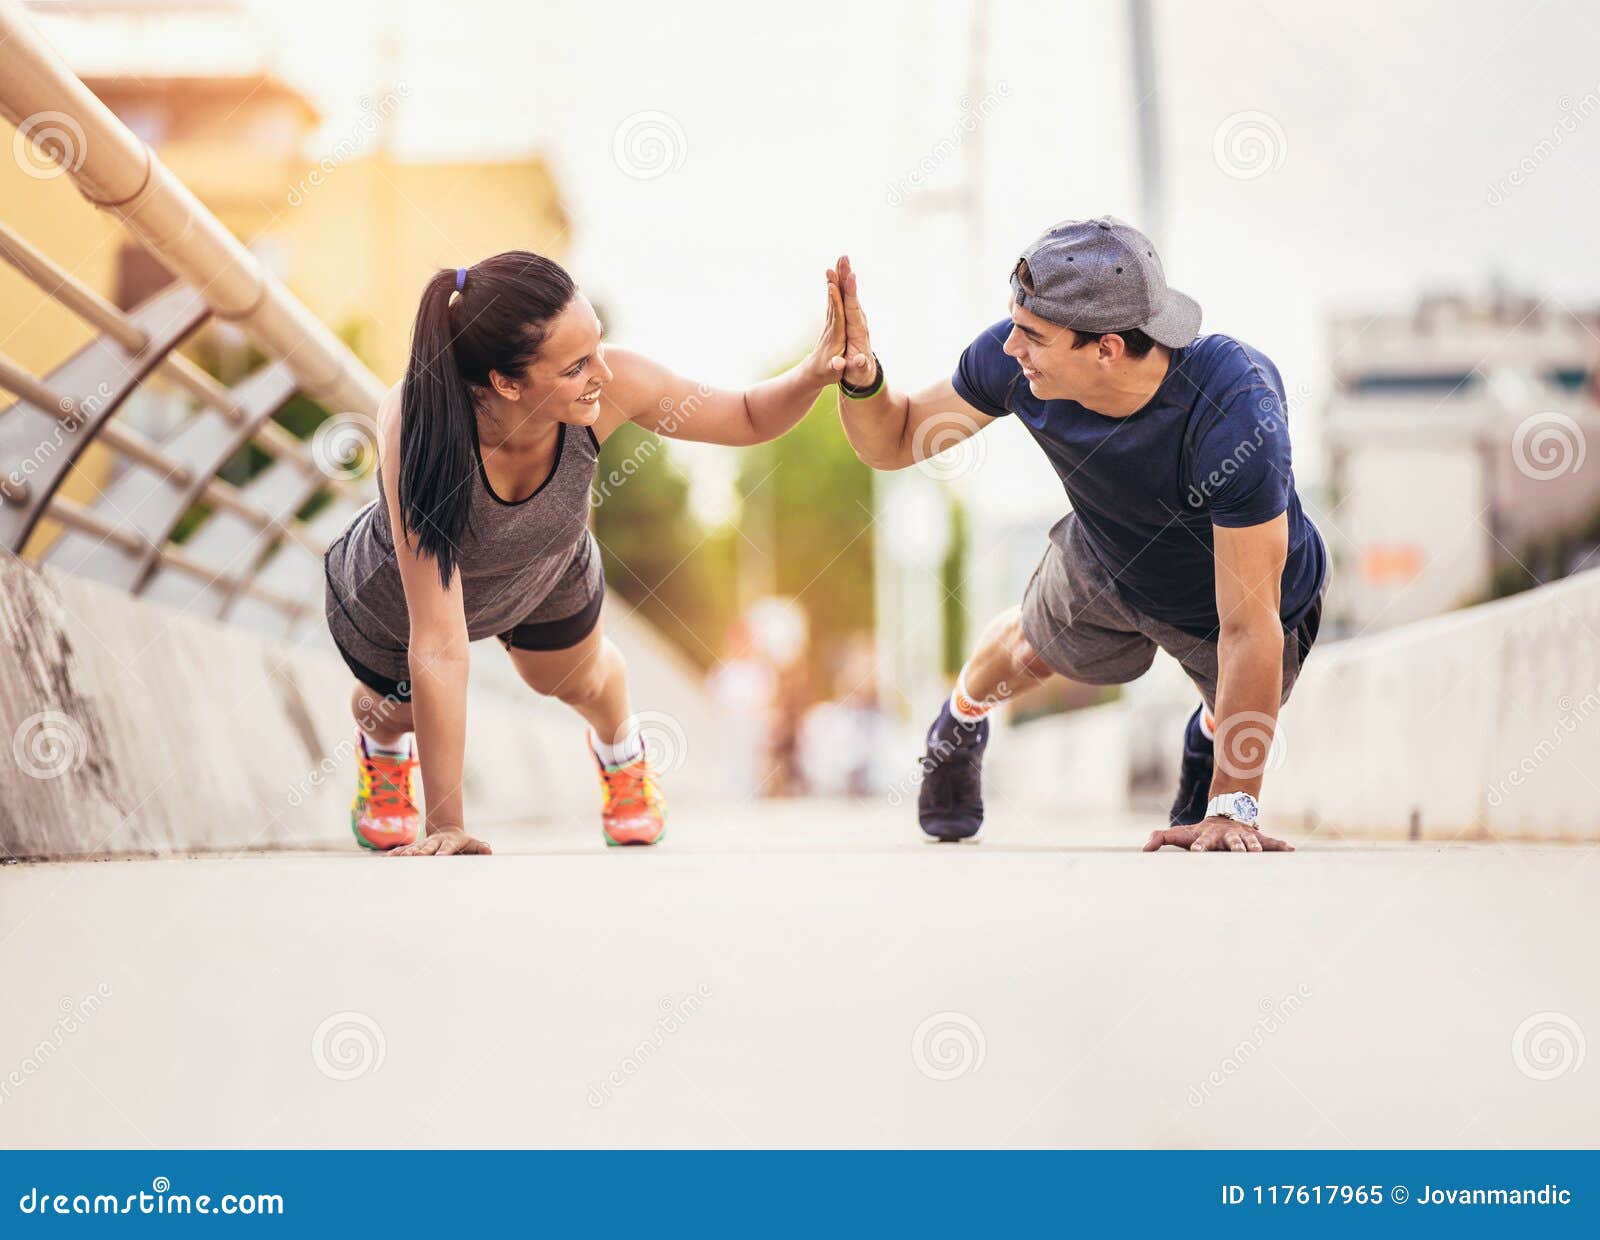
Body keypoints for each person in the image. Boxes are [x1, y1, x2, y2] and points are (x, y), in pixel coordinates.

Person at [323, 250, 849, 855]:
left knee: (576, 679)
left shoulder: (611, 383)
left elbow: (750, 415)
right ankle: (383, 750)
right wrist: (446, 826)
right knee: (398, 706)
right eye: (576, 366)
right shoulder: (415, 424)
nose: (602, 371)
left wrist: (814, 372)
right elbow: (439, 644)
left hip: (543, 567)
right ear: (505, 382)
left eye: (598, 344)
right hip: (405, 585)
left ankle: (622, 754)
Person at [831, 217, 1329, 854]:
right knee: (1030, 648)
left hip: (1248, 599)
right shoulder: (1013, 361)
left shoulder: (1235, 409)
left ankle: (1207, 741)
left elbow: (1248, 629)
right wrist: (861, 375)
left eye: (1033, 336)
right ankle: (958, 723)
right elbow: (896, 440)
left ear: (1108, 349)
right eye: (1015, 324)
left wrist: (1234, 808)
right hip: (1108, 555)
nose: (1012, 347)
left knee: (1229, 708)